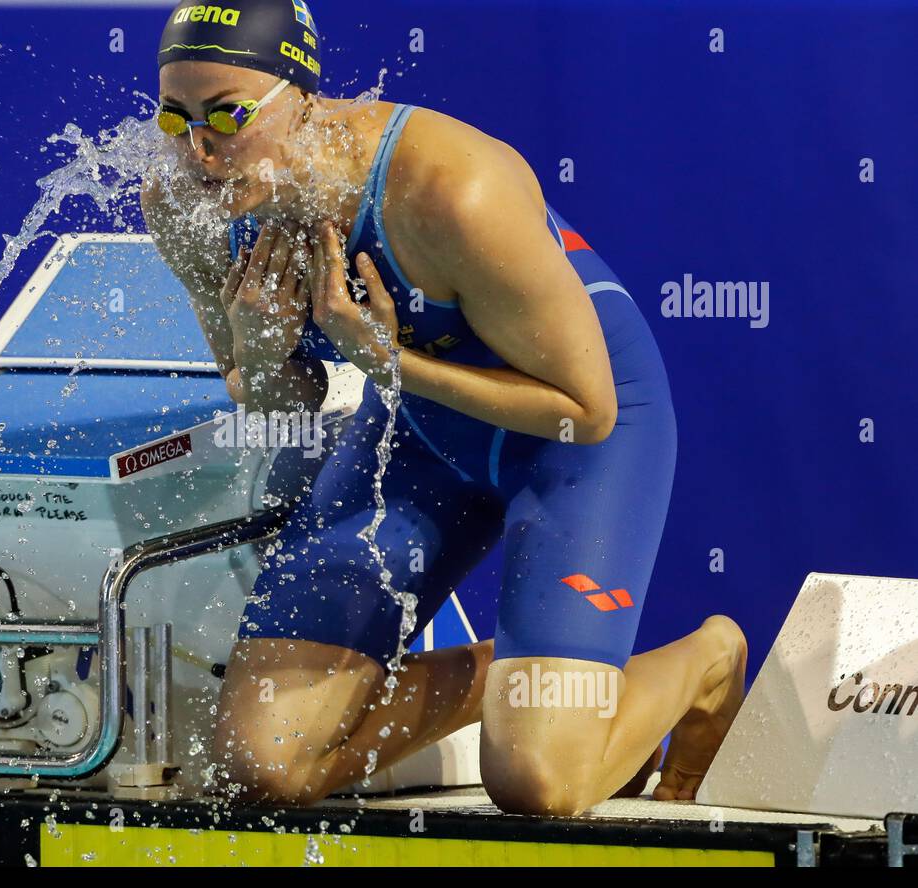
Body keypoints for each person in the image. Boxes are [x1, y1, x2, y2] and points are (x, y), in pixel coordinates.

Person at [139, 0, 747, 815]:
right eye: (175, 118)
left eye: (228, 115)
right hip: (418, 434)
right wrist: (255, 349)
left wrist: (391, 363)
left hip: (576, 444)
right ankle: (525, 681)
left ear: (306, 98)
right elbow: (281, 401)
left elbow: (585, 408)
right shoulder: (185, 208)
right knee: (261, 769)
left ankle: (705, 657)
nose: (200, 151)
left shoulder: (451, 190)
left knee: (540, 786)